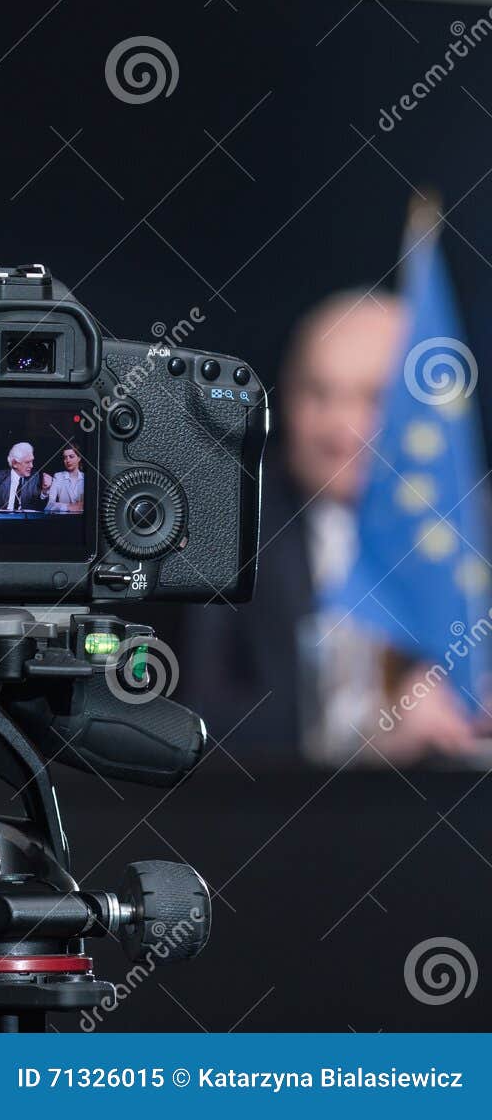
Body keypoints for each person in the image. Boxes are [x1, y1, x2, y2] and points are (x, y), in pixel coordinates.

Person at [178, 290, 479, 765]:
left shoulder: (478, 531)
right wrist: (364, 734)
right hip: (300, 825)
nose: (342, 427)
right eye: (318, 394)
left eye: (372, 397)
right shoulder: (229, 532)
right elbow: (198, 723)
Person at [0, 442, 46, 512]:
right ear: (14, 463)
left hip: (25, 521)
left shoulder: (34, 477)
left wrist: (45, 491)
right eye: (27, 462)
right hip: (1, 520)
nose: (31, 466)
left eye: (32, 461)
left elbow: (39, 504)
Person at [44, 444, 85, 513]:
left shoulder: (86, 478)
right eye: (65, 457)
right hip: (64, 521)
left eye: (71, 457)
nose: (67, 460)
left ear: (79, 458)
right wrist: (68, 507)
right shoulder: (58, 477)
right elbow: (49, 506)